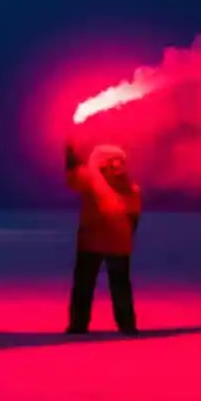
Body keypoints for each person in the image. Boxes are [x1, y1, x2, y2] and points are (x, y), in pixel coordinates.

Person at [65, 139, 143, 334]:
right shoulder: (131, 187)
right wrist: (129, 237)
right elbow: (134, 217)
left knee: (84, 286)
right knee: (119, 286)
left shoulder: (91, 180)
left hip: (92, 242)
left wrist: (69, 153)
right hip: (116, 243)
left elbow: (73, 176)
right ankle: (127, 326)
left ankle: (79, 325)